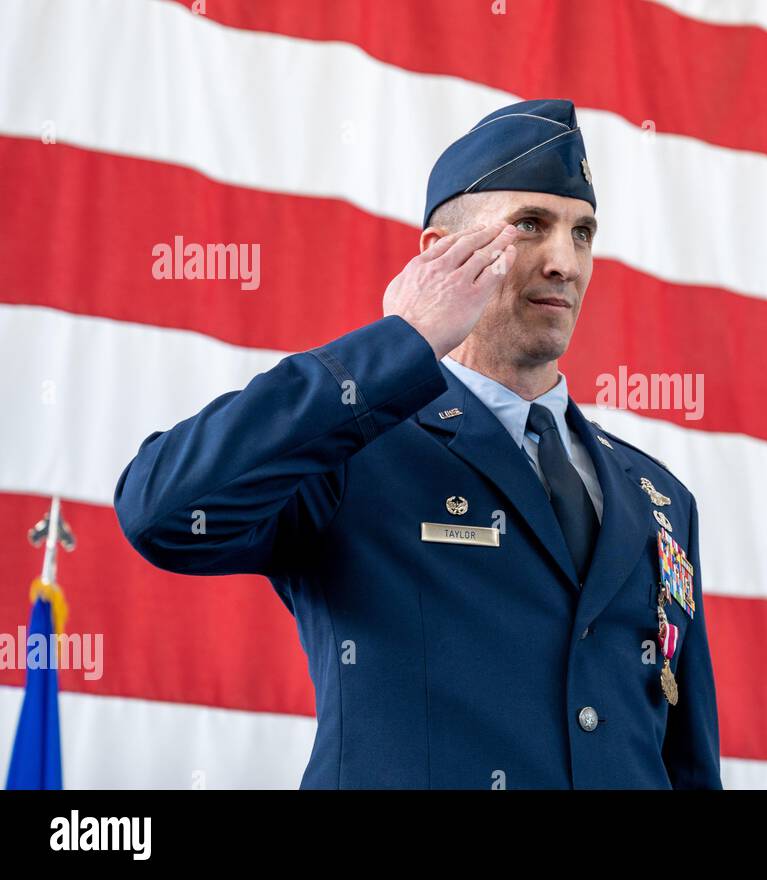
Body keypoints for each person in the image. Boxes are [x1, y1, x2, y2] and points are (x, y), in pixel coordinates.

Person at [113, 98, 723, 789]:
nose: (565, 262)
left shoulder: (659, 496)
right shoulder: (352, 447)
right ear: (439, 254)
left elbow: (687, 759)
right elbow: (162, 512)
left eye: (582, 233)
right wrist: (401, 342)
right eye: (531, 225)